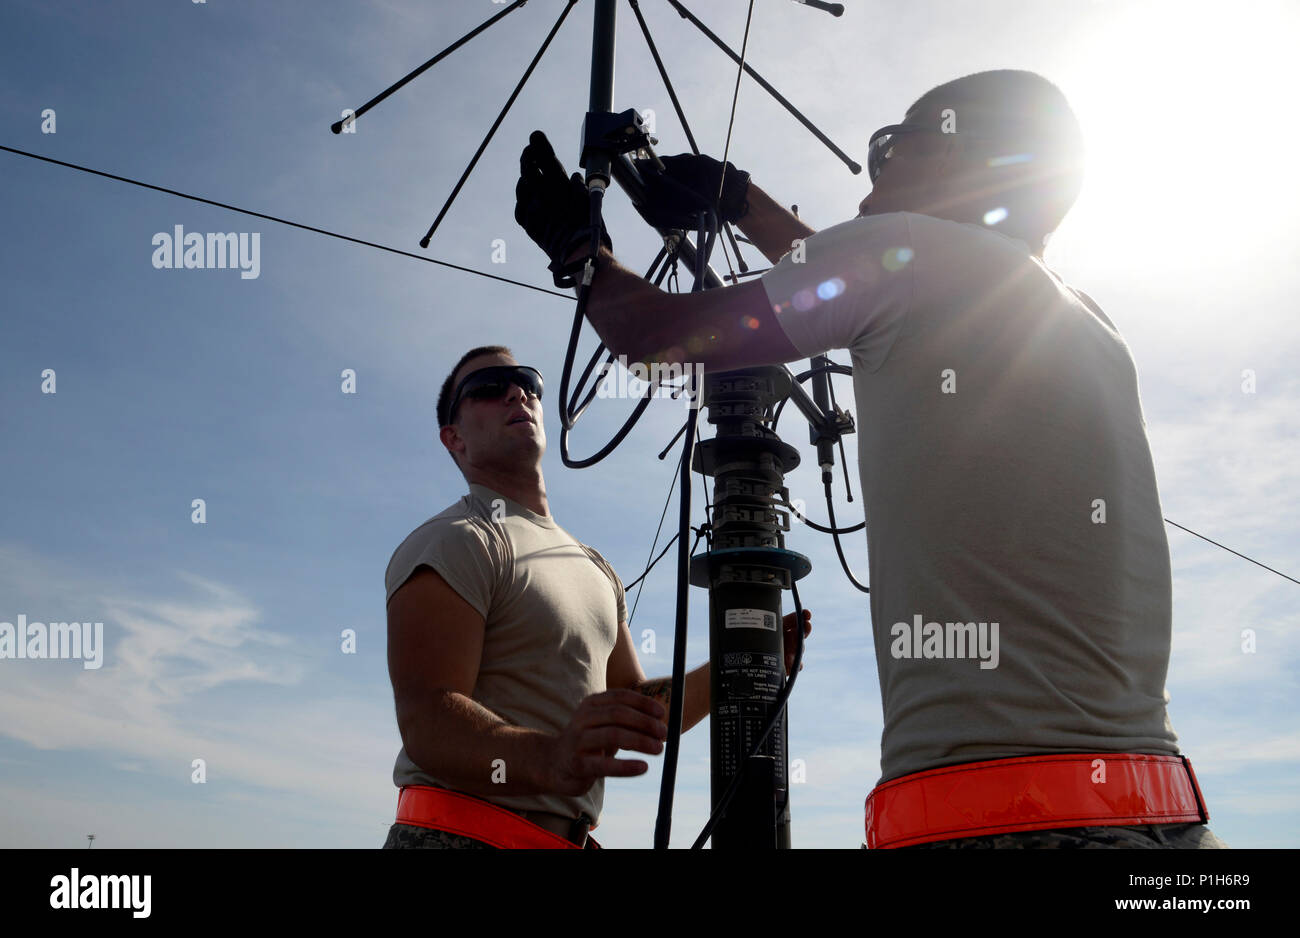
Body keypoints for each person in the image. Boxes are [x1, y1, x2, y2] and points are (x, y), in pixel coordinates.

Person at [513, 69, 1226, 849]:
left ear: (962, 158)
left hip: (1001, 829)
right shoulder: (1081, 320)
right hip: (1158, 821)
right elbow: (864, 274)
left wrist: (582, 252)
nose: (872, 170)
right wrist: (738, 196)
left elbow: (659, 340)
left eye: (891, 147)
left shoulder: (911, 255)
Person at [382, 344, 812, 848]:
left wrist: (739, 666)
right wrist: (551, 758)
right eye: (487, 388)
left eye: (526, 382)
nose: (515, 392)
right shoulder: (458, 538)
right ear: (452, 438)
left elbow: (635, 702)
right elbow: (429, 720)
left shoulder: (593, 567)